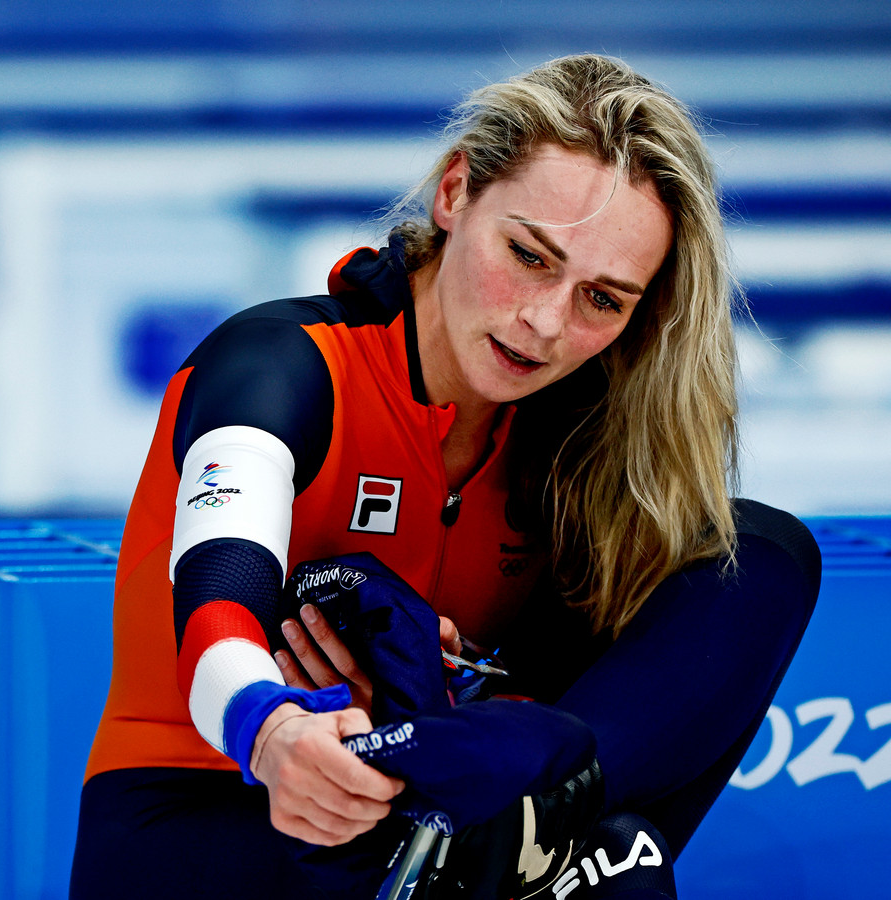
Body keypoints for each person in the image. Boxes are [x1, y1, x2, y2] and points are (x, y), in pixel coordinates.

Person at [70, 54, 819, 899]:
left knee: (761, 554)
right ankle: (518, 818)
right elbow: (218, 595)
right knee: (615, 864)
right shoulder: (283, 368)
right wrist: (272, 728)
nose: (544, 323)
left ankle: (537, 807)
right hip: (204, 821)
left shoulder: (572, 443)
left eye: (601, 301)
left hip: (437, 821)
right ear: (457, 192)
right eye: (530, 255)